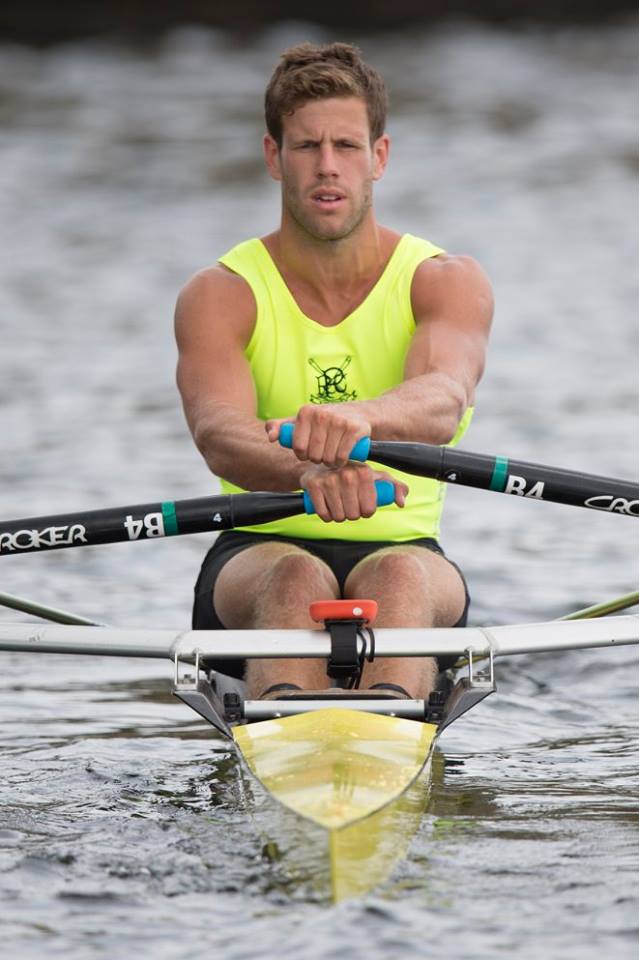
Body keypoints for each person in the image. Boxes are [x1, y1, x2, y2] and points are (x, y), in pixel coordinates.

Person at [175, 42, 493, 701]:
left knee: (399, 579)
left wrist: (359, 420)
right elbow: (218, 432)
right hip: (256, 555)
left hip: (407, 550)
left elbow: (441, 399)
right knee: (292, 578)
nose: (327, 167)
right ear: (273, 156)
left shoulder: (443, 281)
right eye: (306, 146)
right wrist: (310, 474)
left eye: (346, 146)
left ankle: (375, 745)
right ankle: (306, 745)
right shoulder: (220, 293)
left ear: (378, 156)